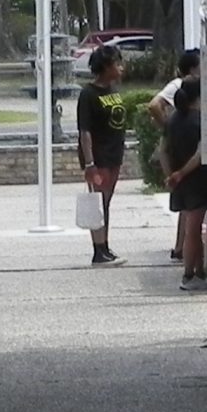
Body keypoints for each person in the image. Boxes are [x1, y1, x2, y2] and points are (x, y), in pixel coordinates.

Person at [161, 76, 207, 289]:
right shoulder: (202, 121)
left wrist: (171, 175)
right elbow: (201, 153)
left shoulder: (172, 120)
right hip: (198, 180)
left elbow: (163, 152)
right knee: (194, 230)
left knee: (192, 225)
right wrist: (182, 173)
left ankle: (200, 271)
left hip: (180, 184)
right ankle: (188, 275)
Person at [148, 47, 203, 255]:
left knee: (186, 203)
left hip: (181, 146)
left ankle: (181, 246)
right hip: (184, 148)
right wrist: (169, 129)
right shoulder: (179, 86)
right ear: (192, 69)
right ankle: (183, 248)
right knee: (189, 200)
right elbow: (154, 105)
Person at [77, 48, 129, 264]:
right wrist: (90, 163)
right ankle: (98, 250)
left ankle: (105, 246)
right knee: (98, 201)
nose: (121, 68)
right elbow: (84, 131)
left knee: (107, 201)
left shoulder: (112, 90)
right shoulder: (88, 94)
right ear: (106, 67)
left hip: (114, 153)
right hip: (99, 156)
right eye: (117, 64)